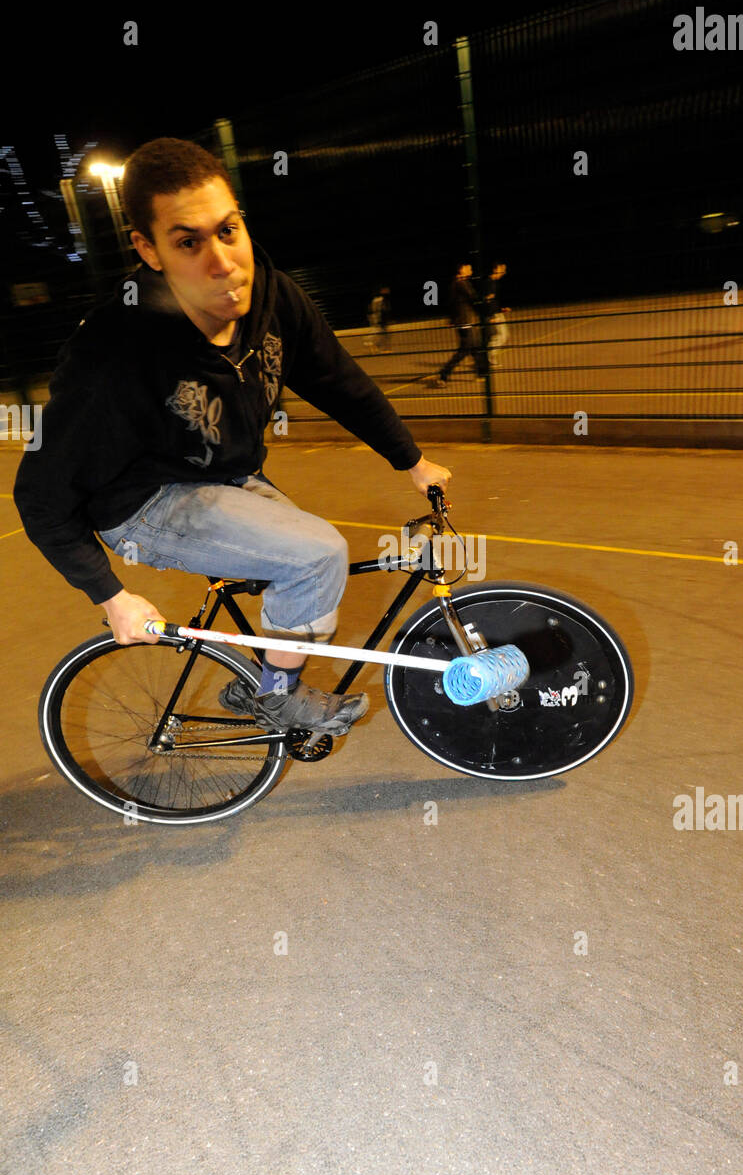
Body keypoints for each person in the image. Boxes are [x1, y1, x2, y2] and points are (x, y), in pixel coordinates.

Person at [14, 138, 451, 738]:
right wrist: (110, 596)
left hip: (225, 477)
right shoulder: (113, 351)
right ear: (148, 250)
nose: (223, 263)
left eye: (228, 230)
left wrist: (412, 459)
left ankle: (261, 683)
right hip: (142, 503)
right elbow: (39, 493)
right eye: (188, 242)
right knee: (316, 556)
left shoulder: (273, 299)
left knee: (305, 571)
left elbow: (337, 380)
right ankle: (276, 697)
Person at [434, 263, 483, 386]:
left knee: (475, 347)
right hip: (464, 321)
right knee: (464, 350)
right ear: (461, 270)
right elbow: (473, 297)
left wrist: (451, 319)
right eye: (469, 268)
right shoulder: (461, 282)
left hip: (464, 320)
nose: (471, 270)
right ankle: (443, 374)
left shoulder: (456, 282)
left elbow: (452, 303)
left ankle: (481, 373)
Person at [483, 261, 510, 368]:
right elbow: (487, 301)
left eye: (504, 270)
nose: (504, 272)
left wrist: (501, 309)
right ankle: (487, 356)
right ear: (495, 269)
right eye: (502, 269)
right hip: (493, 314)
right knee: (501, 336)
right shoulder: (488, 283)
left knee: (501, 336)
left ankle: (488, 356)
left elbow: (493, 301)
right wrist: (491, 316)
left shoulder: (494, 282)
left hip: (497, 312)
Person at [364, 285, 391, 351]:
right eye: (386, 289)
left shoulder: (376, 299)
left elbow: (371, 310)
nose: (388, 290)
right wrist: (381, 320)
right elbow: (382, 310)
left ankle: (377, 346)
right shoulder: (381, 300)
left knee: (381, 334)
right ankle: (369, 343)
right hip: (379, 320)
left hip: (377, 319)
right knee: (380, 334)